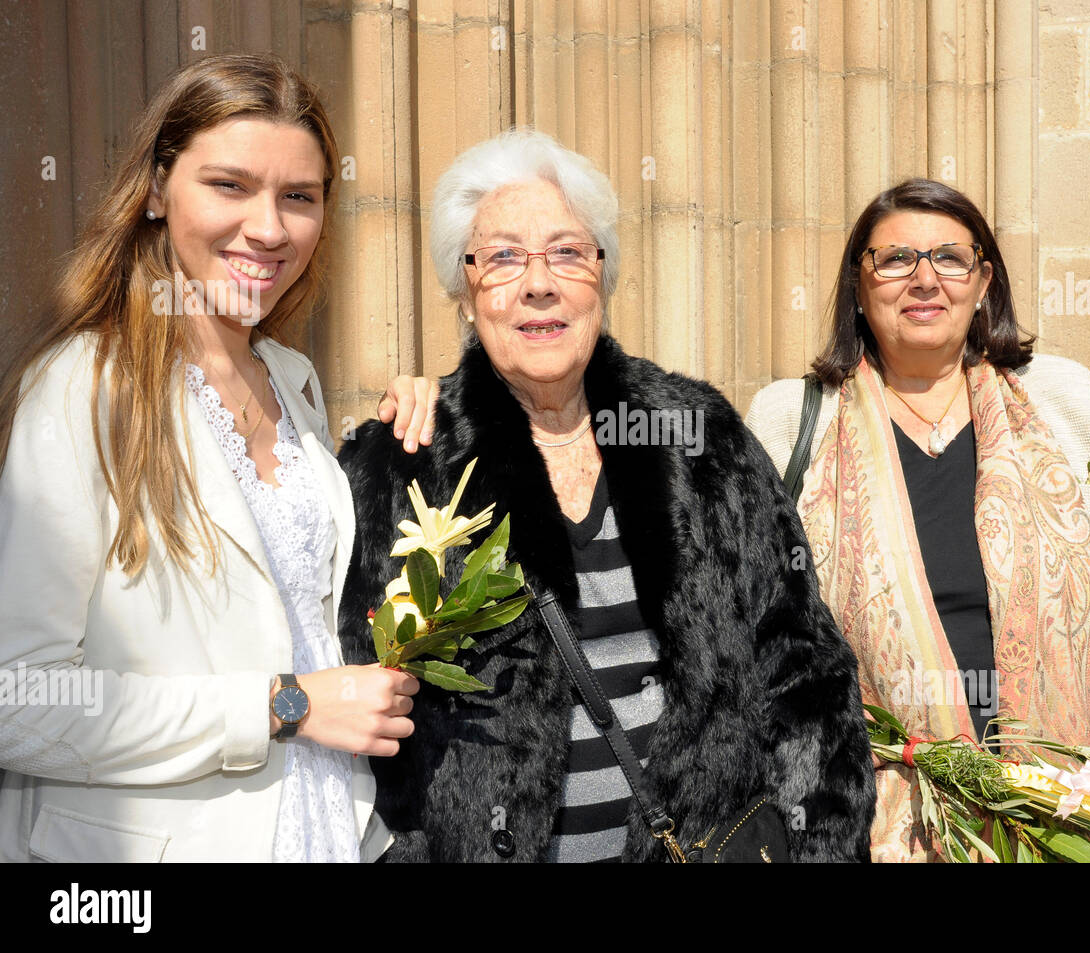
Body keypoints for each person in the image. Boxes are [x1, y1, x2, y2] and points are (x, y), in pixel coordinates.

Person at [337, 128, 874, 863]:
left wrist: (824, 849)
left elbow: (805, 668)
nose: (538, 283)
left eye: (566, 252)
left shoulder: (698, 435)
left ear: (602, 275)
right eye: (502, 258)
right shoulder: (403, 461)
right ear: (465, 294)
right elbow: (356, 703)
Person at [0, 53, 422, 862]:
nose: (268, 228)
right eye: (230, 185)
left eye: (298, 197)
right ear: (157, 190)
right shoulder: (84, 387)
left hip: (327, 835)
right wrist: (283, 705)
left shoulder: (292, 380)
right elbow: (19, 699)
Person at [745, 178, 1090, 861]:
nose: (923, 279)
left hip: (1053, 818)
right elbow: (749, 629)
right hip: (862, 827)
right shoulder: (789, 418)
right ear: (859, 284)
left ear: (982, 282)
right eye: (894, 259)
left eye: (949, 258)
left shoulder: (1063, 403)